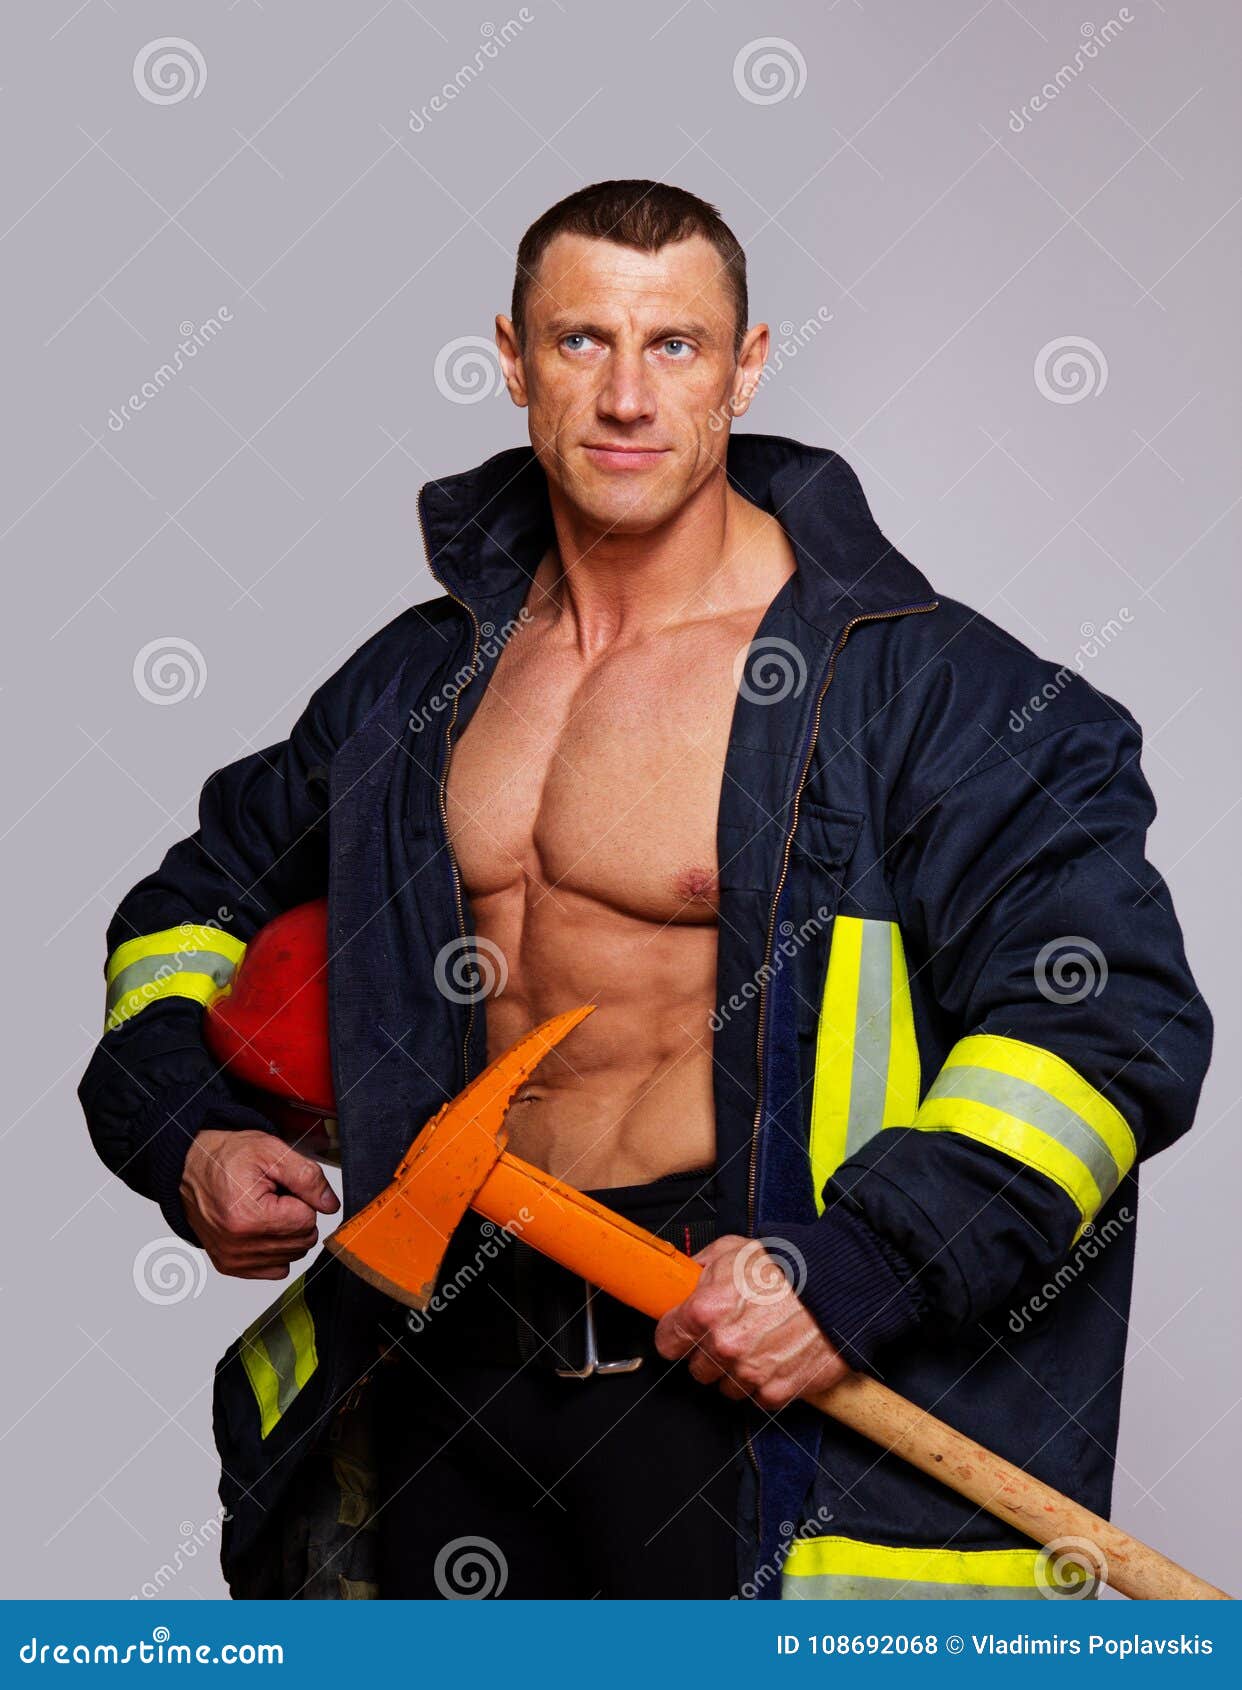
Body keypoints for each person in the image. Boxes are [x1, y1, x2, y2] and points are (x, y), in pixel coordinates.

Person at [79, 179, 1212, 1601]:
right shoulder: (411, 691)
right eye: (580, 343)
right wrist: (189, 1131)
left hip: (737, 1388)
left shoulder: (933, 699)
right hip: (447, 1379)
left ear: (745, 366)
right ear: (509, 358)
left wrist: (859, 1264)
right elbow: (186, 917)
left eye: (673, 344)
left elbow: (1102, 1024)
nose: (625, 395)